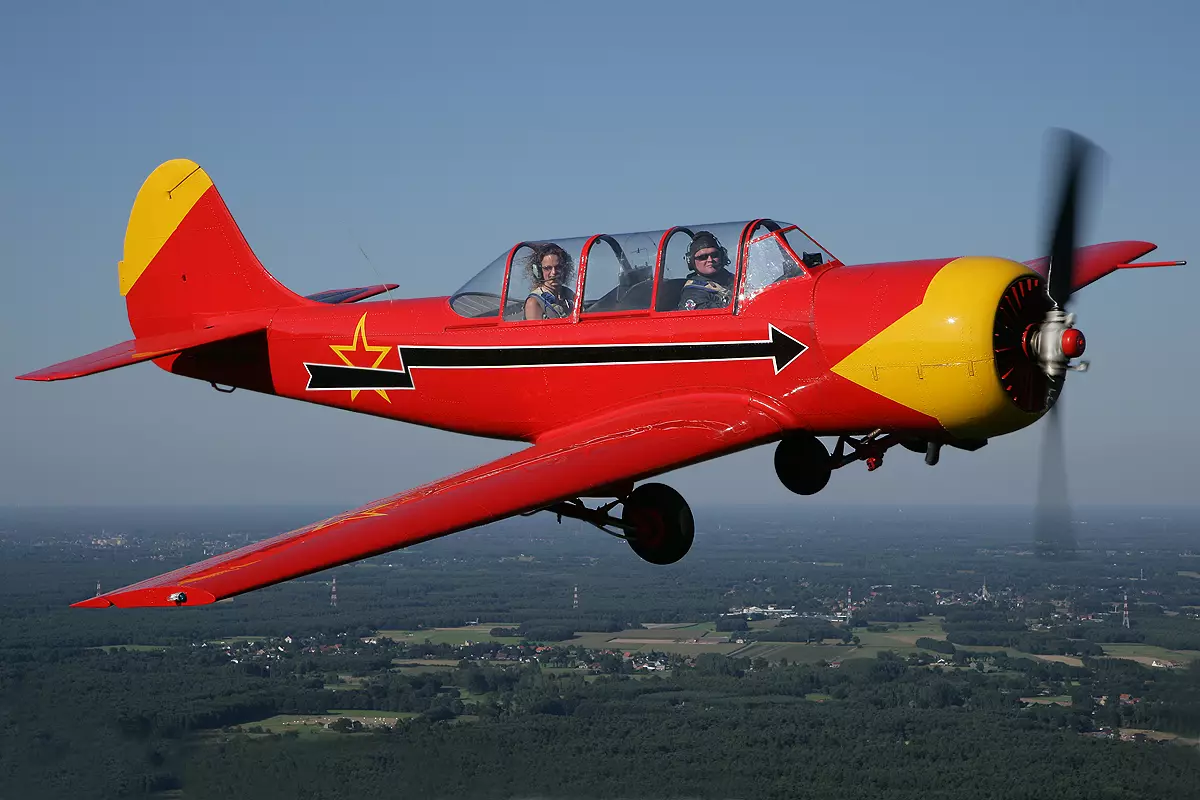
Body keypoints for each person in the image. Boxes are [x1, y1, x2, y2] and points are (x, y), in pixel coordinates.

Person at [676, 231, 734, 311]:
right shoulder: (693, 293)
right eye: (703, 257)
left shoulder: (732, 280)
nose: (710, 260)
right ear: (691, 261)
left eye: (714, 255)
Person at [523, 243, 576, 320]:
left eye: (558, 267)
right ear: (538, 271)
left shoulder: (569, 296)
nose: (554, 272)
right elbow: (536, 332)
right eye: (547, 268)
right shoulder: (534, 302)